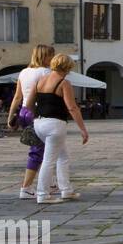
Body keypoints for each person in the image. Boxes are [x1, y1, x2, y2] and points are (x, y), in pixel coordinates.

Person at [27, 53, 90, 205]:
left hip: (39, 123)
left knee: (63, 157)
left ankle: (66, 190)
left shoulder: (40, 81)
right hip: (55, 125)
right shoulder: (64, 83)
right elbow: (72, 108)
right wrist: (83, 129)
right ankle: (42, 194)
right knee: (49, 160)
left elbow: (29, 103)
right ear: (67, 67)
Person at [7, 44, 55, 199]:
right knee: (38, 151)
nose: (53, 58)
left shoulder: (24, 72)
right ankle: (25, 188)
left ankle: (50, 182)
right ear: (44, 56)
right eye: (51, 55)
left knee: (47, 148)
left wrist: (10, 117)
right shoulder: (47, 72)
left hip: (24, 113)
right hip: (39, 113)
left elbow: (17, 97)